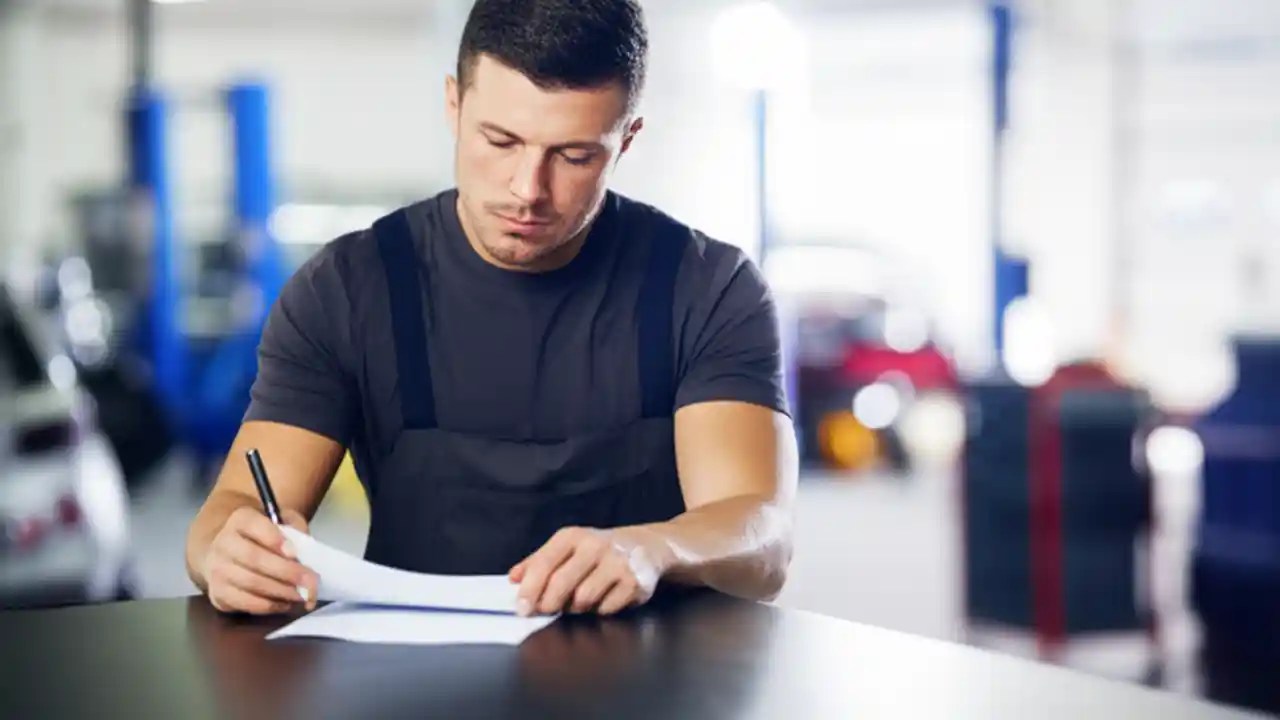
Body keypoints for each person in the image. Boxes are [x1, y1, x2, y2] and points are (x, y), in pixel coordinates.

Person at [185, 0, 798, 618]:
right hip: (414, 681)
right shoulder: (345, 289)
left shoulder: (708, 287)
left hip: (649, 681)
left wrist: (653, 548)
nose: (527, 189)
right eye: (500, 140)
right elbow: (234, 503)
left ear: (627, 139)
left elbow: (761, 535)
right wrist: (227, 552)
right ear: (454, 104)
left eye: (575, 155)